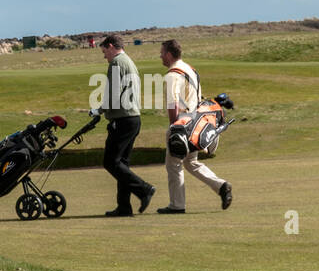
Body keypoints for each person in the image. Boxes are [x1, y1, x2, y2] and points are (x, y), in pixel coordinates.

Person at [156, 39, 232, 214]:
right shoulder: (190, 70)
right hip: (195, 125)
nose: (160, 56)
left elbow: (173, 103)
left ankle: (177, 205)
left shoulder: (171, 75)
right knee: (191, 162)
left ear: (168, 54)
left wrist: (174, 128)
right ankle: (221, 186)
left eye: (162, 53)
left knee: (174, 165)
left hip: (181, 125)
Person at [98, 34, 156, 217]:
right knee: (122, 164)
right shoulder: (129, 62)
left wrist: (98, 110)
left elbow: (113, 95)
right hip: (133, 118)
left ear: (110, 46)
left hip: (123, 119)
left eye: (104, 51)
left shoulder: (116, 63)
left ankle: (144, 189)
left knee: (110, 162)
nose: (104, 56)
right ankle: (124, 206)